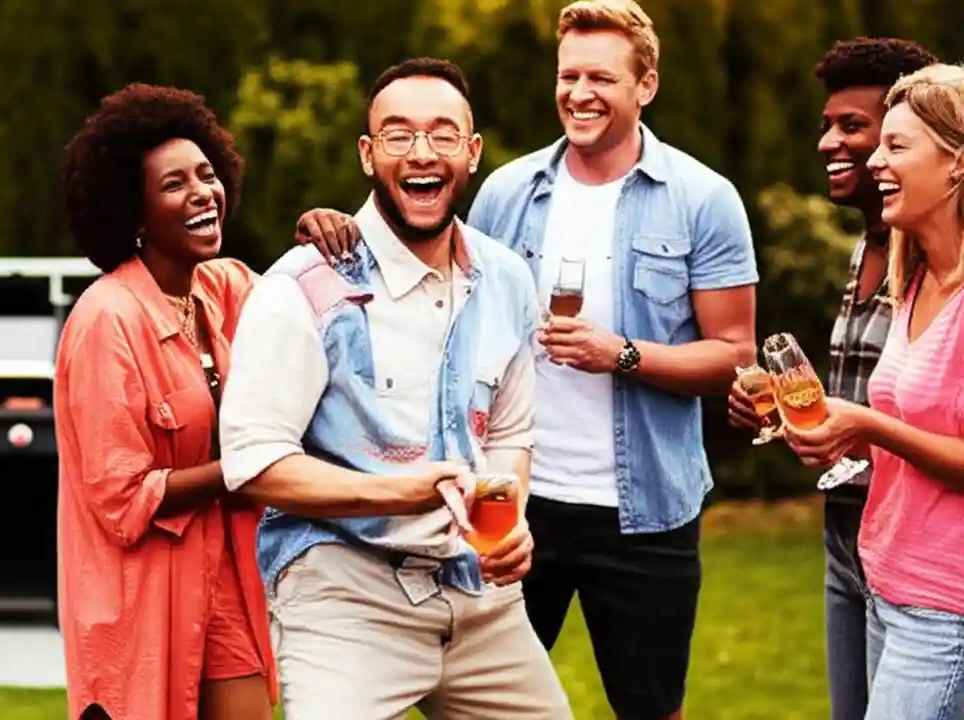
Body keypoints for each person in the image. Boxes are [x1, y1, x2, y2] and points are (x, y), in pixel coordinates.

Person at [294, 3, 758, 718]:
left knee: (651, 706)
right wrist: (335, 226)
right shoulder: (508, 191)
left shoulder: (703, 199)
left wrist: (623, 354)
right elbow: (426, 282)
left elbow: (733, 355)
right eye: (568, 75)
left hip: (647, 515)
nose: (579, 93)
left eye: (601, 77)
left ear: (648, 85)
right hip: (514, 502)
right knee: (482, 702)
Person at [220, 57, 573, 720]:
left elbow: (507, 433)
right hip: (344, 597)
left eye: (442, 135)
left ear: (471, 153)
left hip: (478, 600)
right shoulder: (302, 289)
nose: (421, 152)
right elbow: (253, 463)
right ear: (367, 154)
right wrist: (401, 491)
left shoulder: (506, 281)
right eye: (398, 134)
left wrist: (511, 518)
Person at [727, 37, 938, 720]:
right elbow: (862, 406)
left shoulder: (934, 267)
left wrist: (859, 429)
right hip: (849, 531)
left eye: (855, 126)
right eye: (827, 125)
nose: (831, 143)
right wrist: (785, 411)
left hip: (921, 553)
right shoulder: (870, 250)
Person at [53, 83, 275, 720]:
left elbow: (309, 311)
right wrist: (243, 471)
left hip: (224, 579)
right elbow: (121, 497)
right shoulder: (105, 321)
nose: (203, 192)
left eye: (207, 174)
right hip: (142, 598)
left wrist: (331, 232)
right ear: (135, 211)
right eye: (174, 184)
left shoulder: (222, 287)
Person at [784, 63, 964, 720]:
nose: (875, 162)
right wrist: (843, 434)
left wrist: (865, 424)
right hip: (886, 580)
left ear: (955, 164)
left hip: (946, 608)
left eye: (897, 146)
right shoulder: (910, 280)